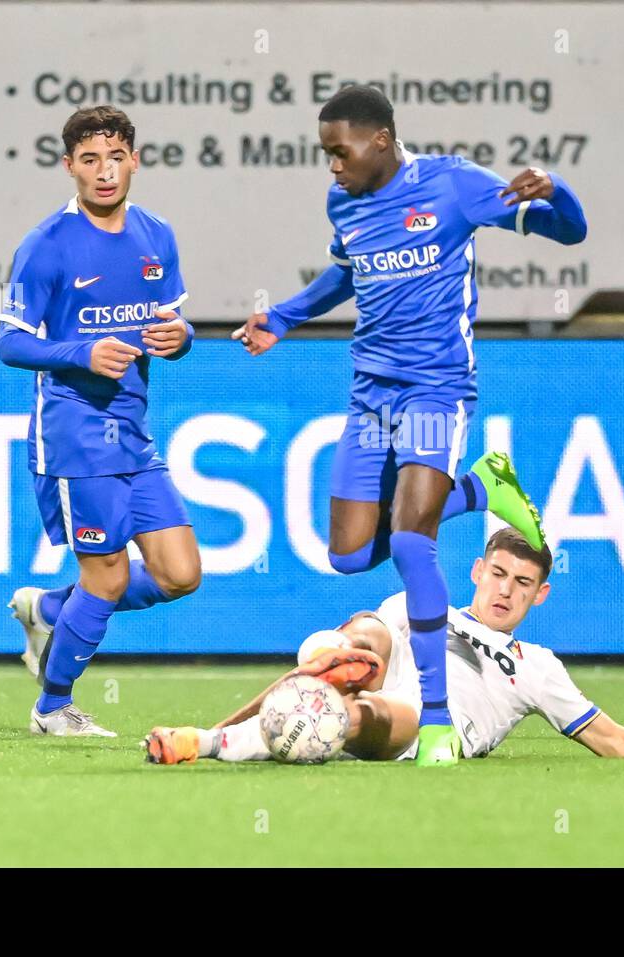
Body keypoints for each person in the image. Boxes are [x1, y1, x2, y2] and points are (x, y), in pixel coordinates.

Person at [230, 85, 588, 764]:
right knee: (347, 552)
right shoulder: (346, 202)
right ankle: (480, 491)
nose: (332, 166)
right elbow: (345, 274)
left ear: (382, 141)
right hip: (371, 395)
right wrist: (281, 317)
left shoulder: (453, 186)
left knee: (411, 544)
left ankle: (434, 721)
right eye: (326, 154)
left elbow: (568, 231)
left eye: (341, 152)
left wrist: (559, 190)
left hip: (435, 391)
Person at [144, 529, 624, 764]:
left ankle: (225, 740)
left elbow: (611, 739)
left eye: (524, 584)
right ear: (478, 570)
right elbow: (350, 652)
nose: (507, 591)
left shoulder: (540, 667)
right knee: (359, 642)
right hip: (375, 672)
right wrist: (343, 659)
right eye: (499, 574)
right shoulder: (425, 609)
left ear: (541, 595)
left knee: (365, 711)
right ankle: (211, 736)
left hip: (430, 733)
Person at [0, 105, 201, 738]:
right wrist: (79, 352)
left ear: (135, 160)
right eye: (90, 160)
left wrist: (182, 336)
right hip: (74, 434)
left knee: (179, 574)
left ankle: (51, 609)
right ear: (70, 167)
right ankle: (52, 706)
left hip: (133, 435)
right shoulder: (47, 246)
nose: (104, 171)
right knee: (107, 576)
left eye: (116, 157)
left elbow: (172, 322)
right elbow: (10, 343)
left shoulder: (156, 234)